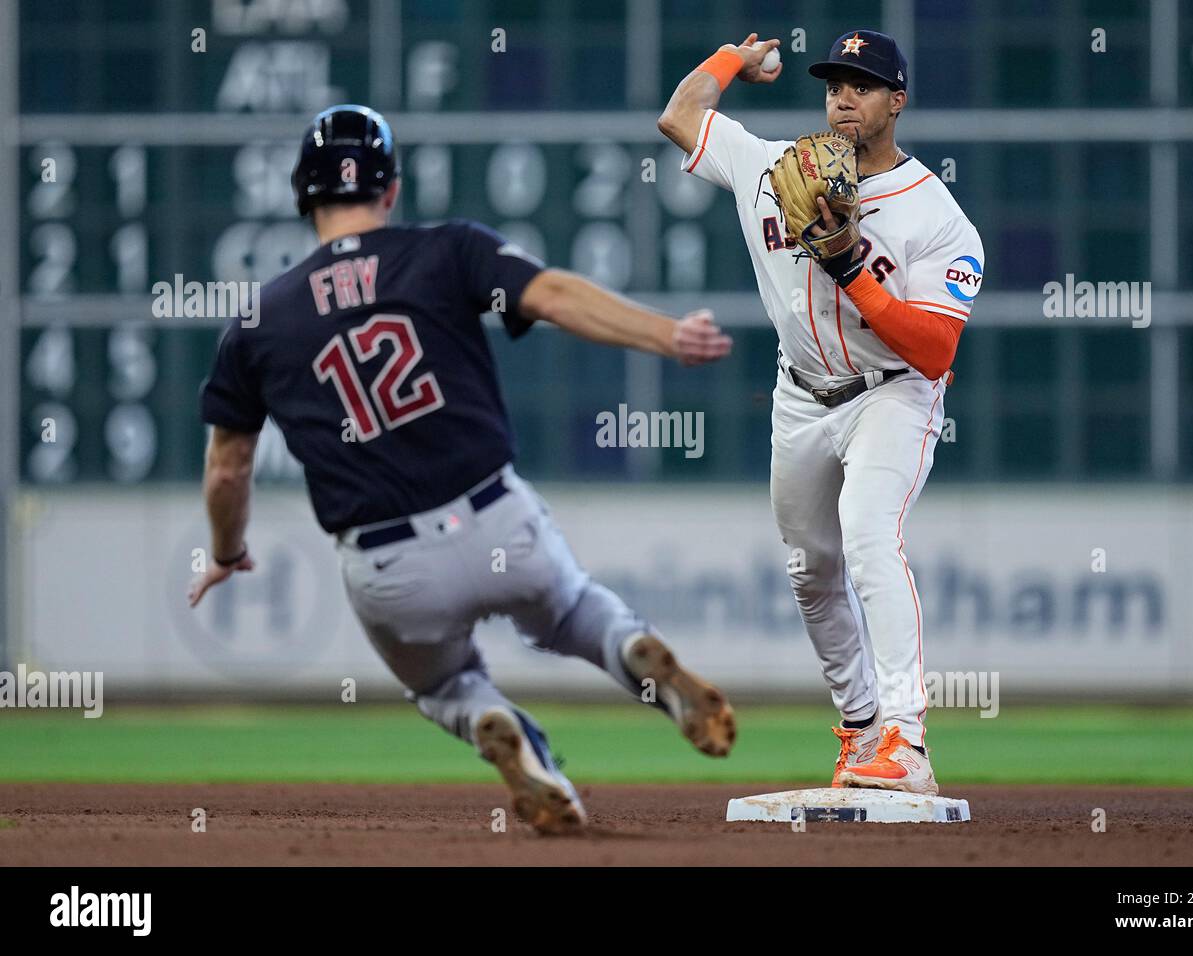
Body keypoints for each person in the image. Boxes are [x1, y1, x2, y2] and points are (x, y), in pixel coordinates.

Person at [188, 104, 737, 833]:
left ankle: (496, 728)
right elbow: (555, 296)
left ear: (302, 196)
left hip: (389, 567)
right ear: (391, 189)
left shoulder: (259, 320)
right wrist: (668, 335)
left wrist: (227, 551)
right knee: (571, 610)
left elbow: (228, 471)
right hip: (494, 517)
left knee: (445, 682)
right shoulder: (448, 251)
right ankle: (630, 653)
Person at [659, 31, 985, 795]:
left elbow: (936, 349)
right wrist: (733, 61)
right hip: (800, 393)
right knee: (811, 571)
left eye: (863, 85)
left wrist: (851, 270)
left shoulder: (936, 215)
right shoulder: (773, 167)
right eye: (835, 83)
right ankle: (861, 728)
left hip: (892, 391)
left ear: (895, 101)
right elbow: (679, 115)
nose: (843, 96)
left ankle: (906, 740)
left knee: (871, 536)